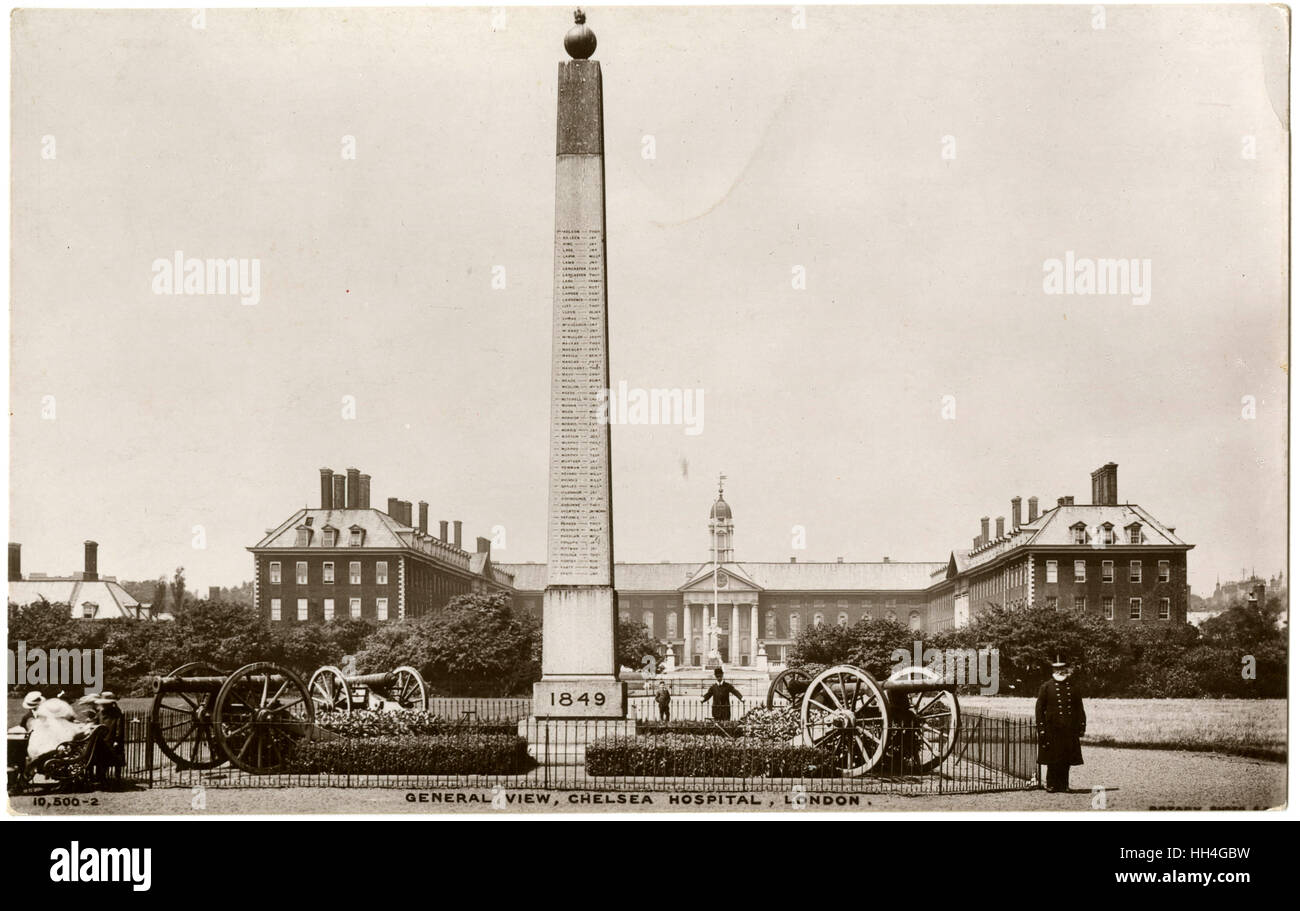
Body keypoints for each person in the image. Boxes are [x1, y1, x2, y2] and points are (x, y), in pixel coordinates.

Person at [1035, 658, 1085, 793]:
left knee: (1066, 758)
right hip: (1052, 729)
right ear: (1053, 671)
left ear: (1065, 670)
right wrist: (1041, 728)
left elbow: (1079, 708)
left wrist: (1081, 725)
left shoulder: (1073, 687)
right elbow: (1039, 710)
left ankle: (1064, 785)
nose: (1060, 672)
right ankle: (1051, 784)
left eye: (1062, 669)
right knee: (1053, 758)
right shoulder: (1046, 687)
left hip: (1069, 729)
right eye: (1057, 670)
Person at [91, 692, 126, 787]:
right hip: (102, 739)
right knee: (102, 761)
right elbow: (96, 723)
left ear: (110, 704)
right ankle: (102, 780)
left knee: (116, 760)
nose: (103, 705)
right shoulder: (100, 713)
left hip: (113, 739)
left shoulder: (117, 713)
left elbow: (119, 728)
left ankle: (117, 780)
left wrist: (117, 740)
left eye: (105, 704)